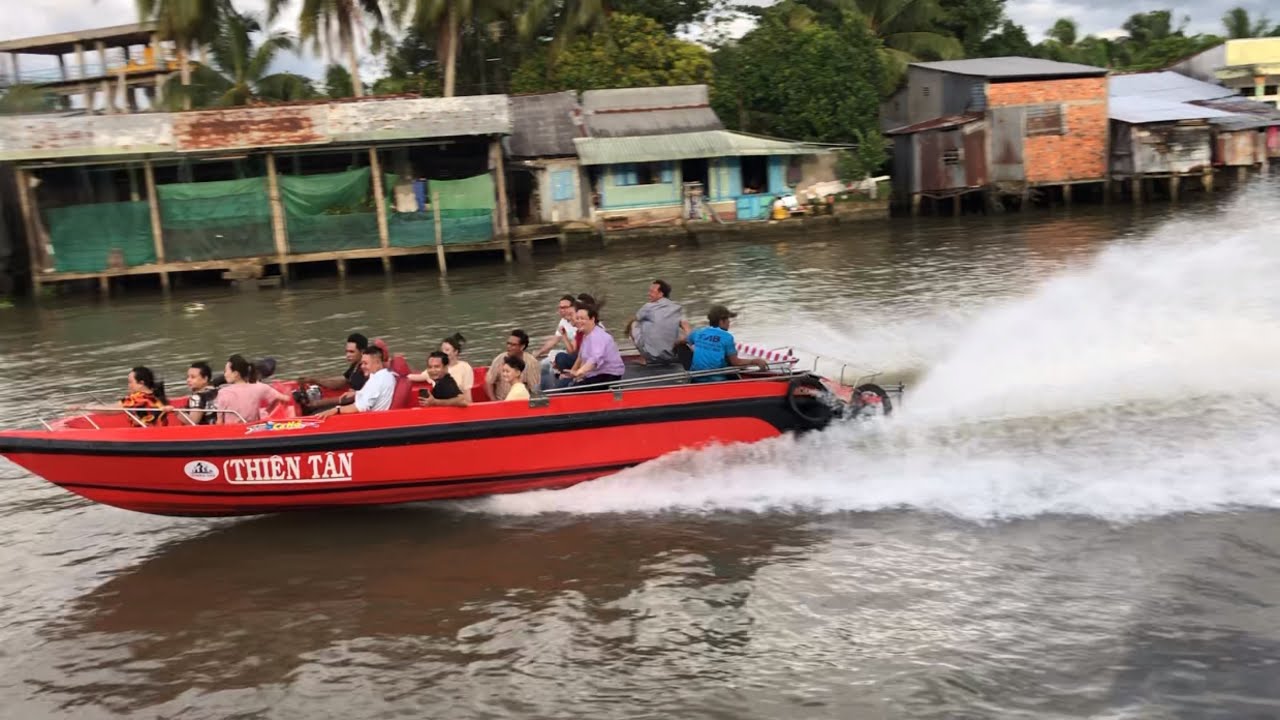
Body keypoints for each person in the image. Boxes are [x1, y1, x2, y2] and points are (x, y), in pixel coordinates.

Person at [685, 305, 770, 383]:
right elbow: (736, 362)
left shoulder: (698, 332)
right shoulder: (727, 337)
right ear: (721, 321)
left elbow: (685, 340)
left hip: (696, 378)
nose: (729, 322)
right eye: (728, 319)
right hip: (716, 380)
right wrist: (755, 361)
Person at [296, 333, 370, 413]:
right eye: (347, 352)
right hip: (350, 404)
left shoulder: (364, 370)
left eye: (351, 352)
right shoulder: (356, 364)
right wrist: (315, 380)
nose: (347, 355)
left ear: (362, 352)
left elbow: (349, 399)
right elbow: (342, 381)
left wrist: (317, 403)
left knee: (314, 413)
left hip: (355, 408)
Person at [558, 304, 625, 389]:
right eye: (577, 318)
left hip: (608, 376)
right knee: (564, 383)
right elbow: (582, 358)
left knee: (567, 389)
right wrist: (574, 375)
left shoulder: (598, 336)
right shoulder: (586, 335)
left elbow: (594, 360)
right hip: (595, 374)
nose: (578, 321)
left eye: (582, 319)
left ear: (592, 319)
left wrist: (579, 372)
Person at [317, 346, 396, 416]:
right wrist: (356, 393)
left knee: (319, 411)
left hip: (368, 420)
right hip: (369, 413)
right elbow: (374, 394)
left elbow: (360, 407)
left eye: (365, 363)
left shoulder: (377, 381)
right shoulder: (386, 374)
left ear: (378, 362)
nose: (362, 366)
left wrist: (335, 410)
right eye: (362, 363)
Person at [627, 279, 690, 366]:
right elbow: (688, 331)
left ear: (661, 294)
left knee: (634, 324)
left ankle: (645, 357)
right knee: (674, 328)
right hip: (670, 355)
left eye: (652, 292)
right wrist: (678, 342)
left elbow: (633, 320)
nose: (649, 294)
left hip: (651, 356)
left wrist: (627, 331)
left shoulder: (648, 307)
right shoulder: (677, 307)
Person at [216, 354, 291, 425]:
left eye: (226, 371)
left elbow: (219, 422)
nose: (225, 374)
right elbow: (286, 398)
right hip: (253, 428)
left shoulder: (223, 392)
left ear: (236, 373)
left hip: (232, 431)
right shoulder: (259, 387)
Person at [535, 295, 580, 388]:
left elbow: (574, 351)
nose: (561, 310)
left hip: (575, 355)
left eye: (564, 307)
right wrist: (538, 353)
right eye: (560, 308)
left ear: (573, 307)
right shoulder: (563, 321)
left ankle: (552, 389)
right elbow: (554, 340)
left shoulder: (580, 322)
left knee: (551, 363)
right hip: (571, 353)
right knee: (542, 364)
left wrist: (564, 336)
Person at [410, 333, 473, 398]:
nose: (443, 352)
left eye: (447, 350)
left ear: (455, 352)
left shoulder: (465, 367)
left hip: (457, 403)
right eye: (442, 350)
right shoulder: (436, 368)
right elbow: (417, 377)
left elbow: (468, 396)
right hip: (439, 402)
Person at [486, 329, 541, 401]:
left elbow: (534, 388)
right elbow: (489, 381)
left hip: (519, 401)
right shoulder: (499, 359)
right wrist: (494, 402)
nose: (509, 346)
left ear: (522, 347)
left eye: (513, 345)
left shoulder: (531, 363)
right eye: (508, 343)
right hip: (500, 400)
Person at [184, 361, 219, 425]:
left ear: (205, 379)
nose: (188, 380)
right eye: (188, 377)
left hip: (203, 432)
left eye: (193, 377)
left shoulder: (196, 397)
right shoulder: (218, 391)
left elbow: (193, 422)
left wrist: (178, 412)